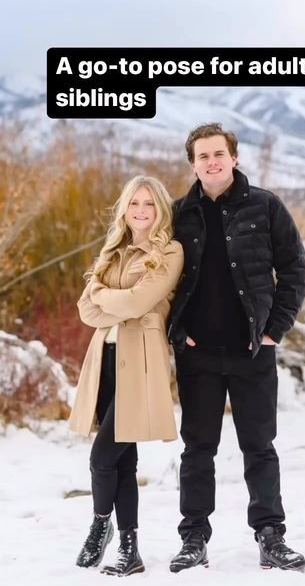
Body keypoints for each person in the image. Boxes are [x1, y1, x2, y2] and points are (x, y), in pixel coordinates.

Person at [167, 123, 305, 573]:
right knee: (197, 449)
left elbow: (294, 269)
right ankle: (193, 539)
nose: (211, 162)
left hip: (253, 351)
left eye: (218, 154)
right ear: (193, 163)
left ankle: (271, 537)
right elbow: (158, 279)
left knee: (259, 446)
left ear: (234, 157)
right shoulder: (178, 213)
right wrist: (175, 328)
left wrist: (275, 328)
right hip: (198, 355)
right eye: (202, 156)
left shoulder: (266, 206)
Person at [69, 175, 183, 576]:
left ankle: (101, 527)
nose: (140, 211)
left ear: (161, 210)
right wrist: (114, 303)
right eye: (134, 203)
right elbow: (86, 309)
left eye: (149, 204)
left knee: (103, 456)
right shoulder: (113, 250)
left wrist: (107, 298)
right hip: (104, 358)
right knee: (123, 461)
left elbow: (141, 300)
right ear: (124, 208)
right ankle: (130, 550)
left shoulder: (169, 251)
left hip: (141, 364)